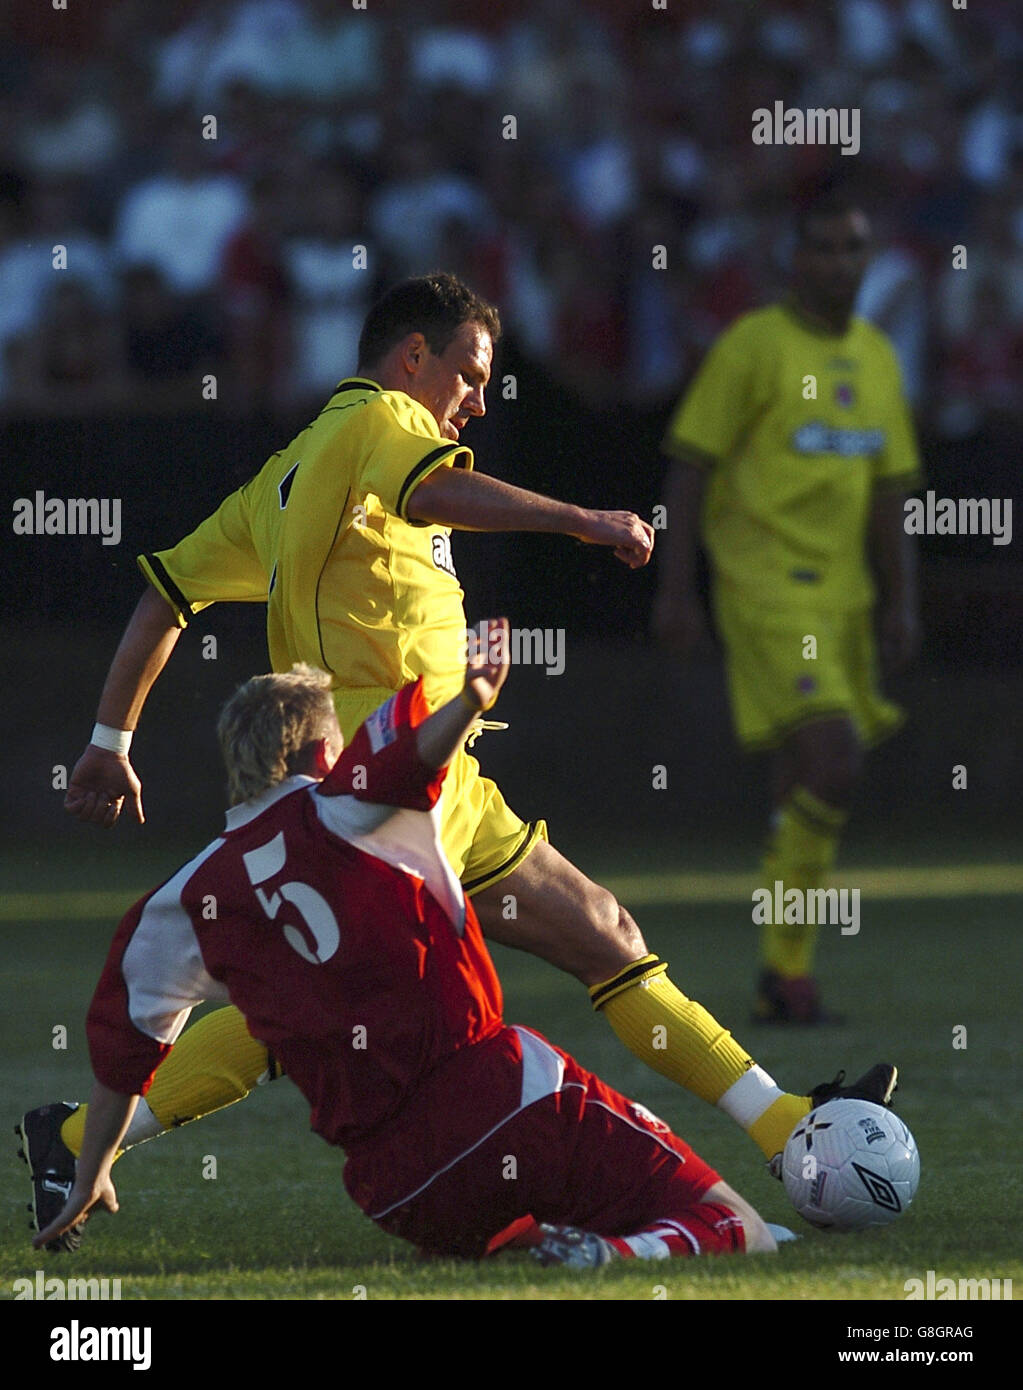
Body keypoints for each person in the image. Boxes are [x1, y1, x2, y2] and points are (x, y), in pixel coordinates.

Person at [43, 273, 894, 1232]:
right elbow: (439, 484)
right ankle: (77, 1142)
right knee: (332, 1004)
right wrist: (585, 521)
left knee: (600, 934)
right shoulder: (380, 423)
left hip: (436, 776)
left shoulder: (282, 477)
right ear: (413, 358)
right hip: (379, 781)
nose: (478, 401)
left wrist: (108, 740)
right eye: (469, 373)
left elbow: (164, 592)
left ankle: (787, 1127)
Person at [33, 632, 788, 1268]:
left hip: (398, 1193)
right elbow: (409, 756)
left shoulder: (175, 902)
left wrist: (93, 1170)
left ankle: (589, 1242)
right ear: (323, 748)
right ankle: (630, 1255)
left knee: (567, 1209)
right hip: (498, 1099)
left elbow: (124, 1054)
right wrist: (470, 698)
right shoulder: (346, 804)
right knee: (739, 1227)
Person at [653, 186, 922, 1023]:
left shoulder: (876, 356)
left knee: (801, 777)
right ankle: (790, 965)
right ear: (792, 259)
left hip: (844, 597)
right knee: (834, 760)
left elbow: (888, 492)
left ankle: (779, 970)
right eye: (824, 247)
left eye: (853, 248)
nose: (840, 263)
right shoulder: (752, 348)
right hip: (766, 588)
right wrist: (676, 588)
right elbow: (689, 466)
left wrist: (900, 600)